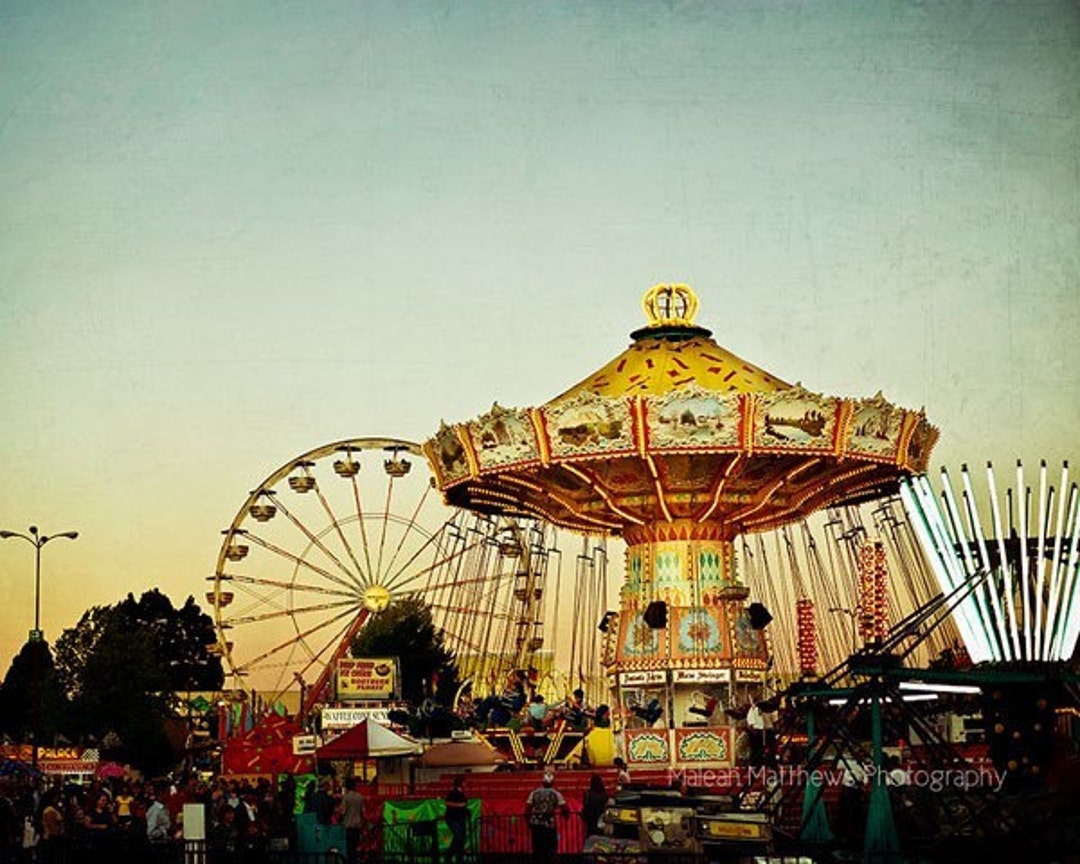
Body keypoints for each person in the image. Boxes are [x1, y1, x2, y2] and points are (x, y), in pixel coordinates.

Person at [524, 772, 568, 864]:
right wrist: (566, 815)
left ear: (542, 782)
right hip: (549, 825)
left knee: (537, 849)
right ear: (552, 782)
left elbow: (527, 809)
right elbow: (564, 808)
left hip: (536, 824)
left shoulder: (534, 793)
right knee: (551, 848)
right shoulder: (556, 794)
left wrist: (528, 822)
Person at [340, 777, 366, 864]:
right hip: (358, 824)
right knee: (355, 844)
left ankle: (351, 861)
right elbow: (363, 812)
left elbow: (343, 811)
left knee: (349, 845)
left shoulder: (346, 797)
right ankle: (355, 860)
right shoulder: (360, 797)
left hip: (348, 824)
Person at [443, 775, 468, 864]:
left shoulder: (461, 792)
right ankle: (449, 856)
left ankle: (459, 857)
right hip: (453, 818)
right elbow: (447, 803)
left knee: (461, 838)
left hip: (460, 818)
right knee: (459, 837)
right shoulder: (453, 792)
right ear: (460, 783)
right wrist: (460, 805)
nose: (466, 784)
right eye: (464, 782)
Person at [580, 774, 610, 839]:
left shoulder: (588, 794)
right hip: (601, 820)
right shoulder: (605, 795)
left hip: (591, 820)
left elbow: (586, 807)